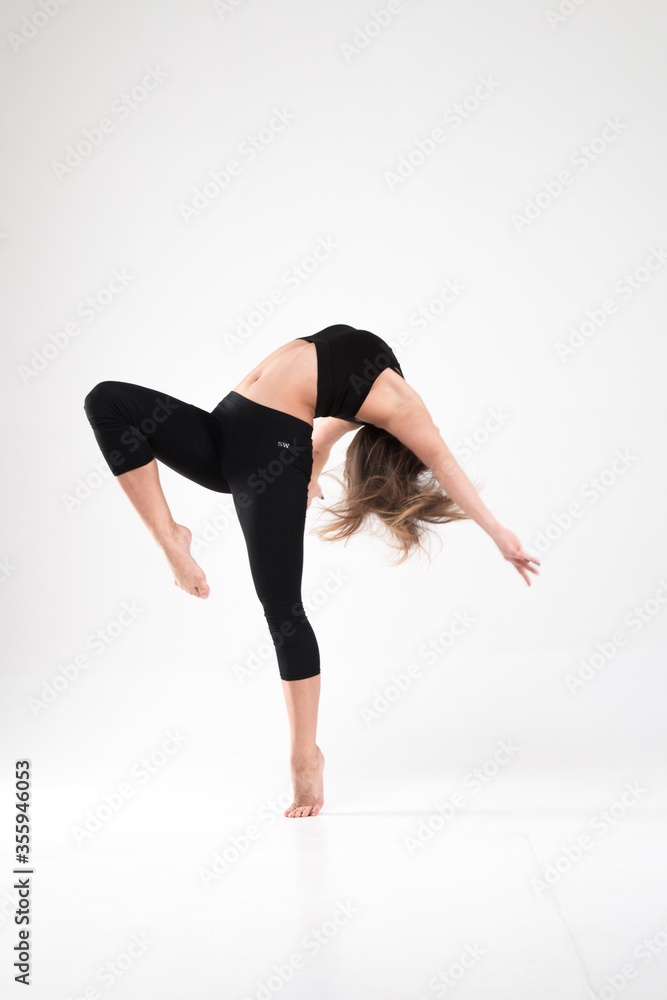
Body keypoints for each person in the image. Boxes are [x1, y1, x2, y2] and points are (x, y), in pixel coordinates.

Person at [83, 323, 540, 819]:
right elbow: (322, 439)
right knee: (107, 401)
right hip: (224, 432)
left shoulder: (404, 408)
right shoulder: (372, 397)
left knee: (283, 610)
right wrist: (311, 476)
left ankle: (305, 756)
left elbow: (445, 465)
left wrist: (498, 533)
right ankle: (169, 537)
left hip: (269, 454)